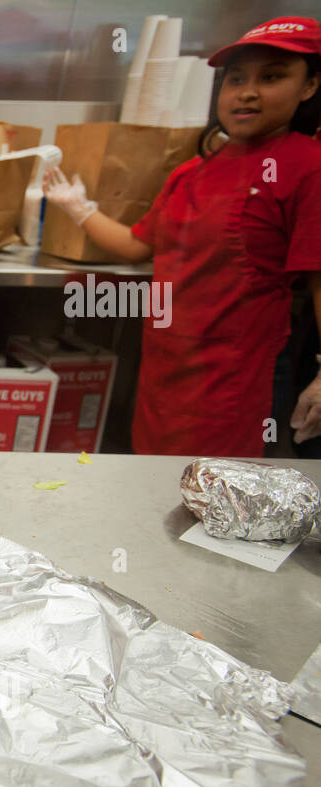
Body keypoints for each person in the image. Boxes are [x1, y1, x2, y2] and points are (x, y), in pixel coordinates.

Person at [45, 16, 321, 457]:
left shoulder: (306, 165)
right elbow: (138, 245)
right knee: (152, 487)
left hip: (232, 380)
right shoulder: (193, 170)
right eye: (236, 79)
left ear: (309, 87)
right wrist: (78, 207)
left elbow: (317, 277)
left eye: (272, 77)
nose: (247, 92)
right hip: (163, 373)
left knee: (212, 498)